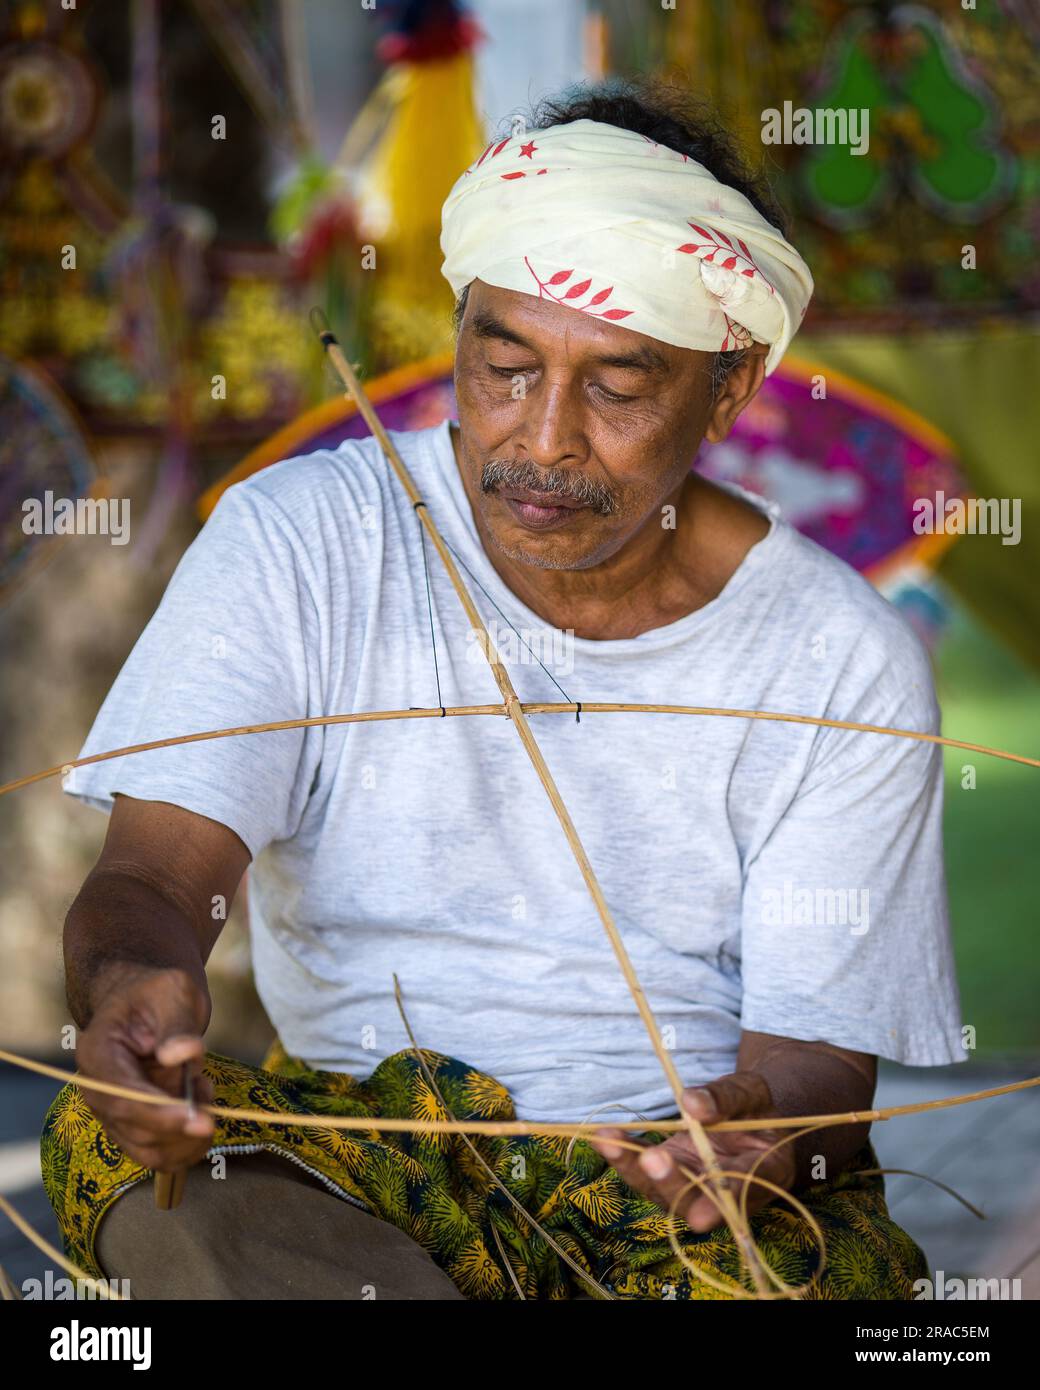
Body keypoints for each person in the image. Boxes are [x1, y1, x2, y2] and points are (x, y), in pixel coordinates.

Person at [41, 80, 963, 1301]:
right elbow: (159, 879)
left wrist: (762, 1139)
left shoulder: (841, 657)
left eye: (619, 387)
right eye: (505, 365)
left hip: (662, 1191)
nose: (541, 441)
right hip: (364, 1163)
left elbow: (812, 1069)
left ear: (728, 384)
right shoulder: (298, 538)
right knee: (112, 1145)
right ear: (461, 332)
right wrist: (130, 992)